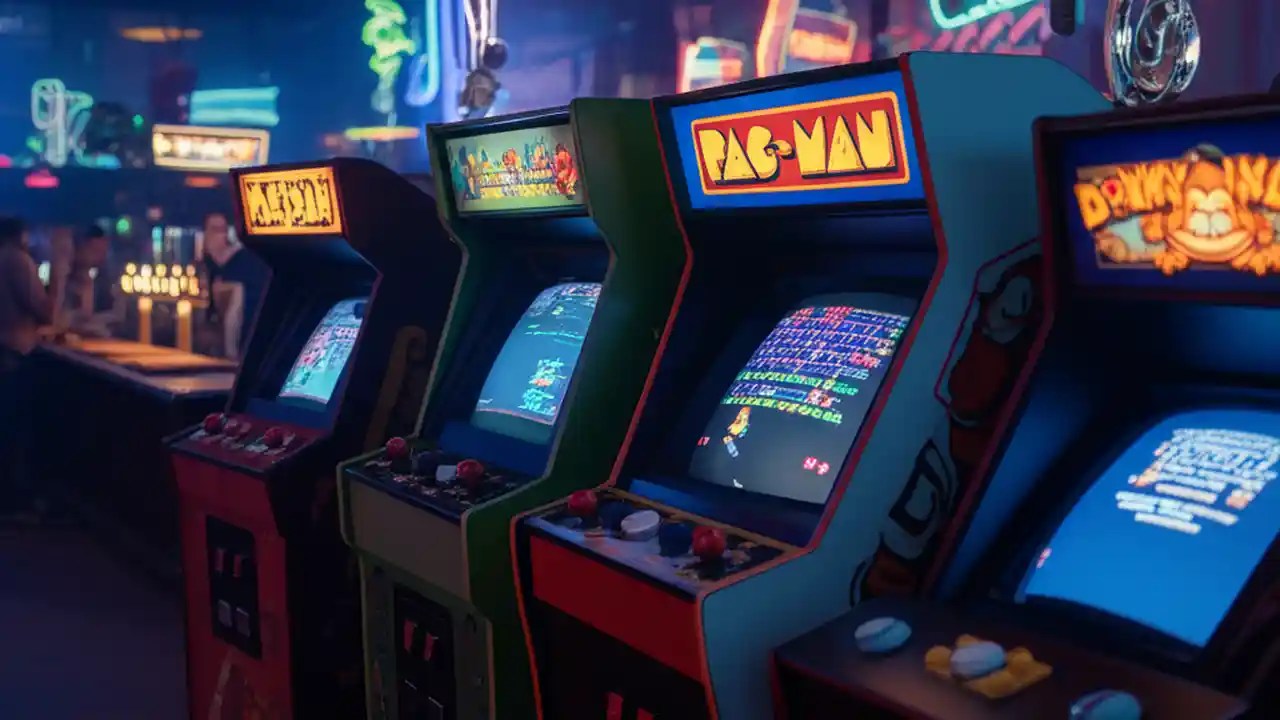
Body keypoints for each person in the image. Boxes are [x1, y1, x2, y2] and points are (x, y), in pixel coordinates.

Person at [0, 216, 53, 519]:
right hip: (15, 354)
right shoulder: (17, 261)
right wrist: (58, 271)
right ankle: (17, 499)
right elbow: (44, 309)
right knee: (18, 429)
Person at [202, 212, 268, 360]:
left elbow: (235, 309)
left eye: (222, 229)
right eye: (214, 230)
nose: (219, 235)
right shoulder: (212, 264)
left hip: (249, 335)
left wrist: (230, 353)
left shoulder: (242, 259)